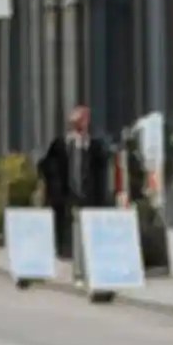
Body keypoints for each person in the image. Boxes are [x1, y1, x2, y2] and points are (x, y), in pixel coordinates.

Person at [38, 106, 111, 274]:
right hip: (66, 194)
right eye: (76, 122)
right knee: (66, 223)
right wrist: (54, 187)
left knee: (87, 226)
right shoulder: (61, 145)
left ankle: (85, 256)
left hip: (89, 195)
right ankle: (66, 253)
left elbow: (102, 171)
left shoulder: (94, 145)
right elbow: (47, 166)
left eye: (83, 120)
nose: (79, 125)